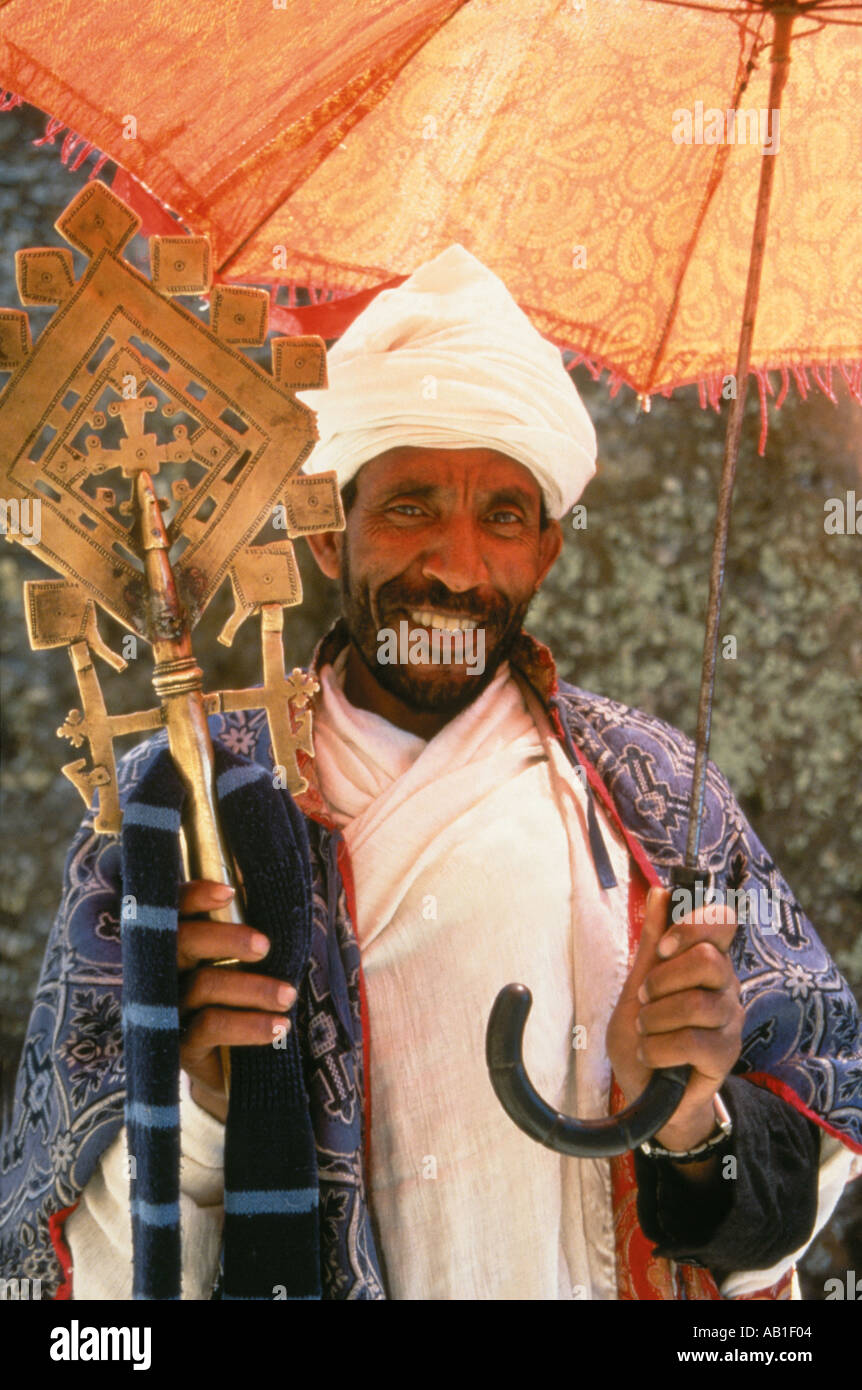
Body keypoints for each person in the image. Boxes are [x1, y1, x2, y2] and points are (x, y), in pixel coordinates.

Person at [1, 247, 860, 1301]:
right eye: (410, 505)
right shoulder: (180, 815)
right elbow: (69, 1287)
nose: (455, 565)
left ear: (546, 547)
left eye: (501, 515)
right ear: (331, 534)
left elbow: (799, 1174)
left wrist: (685, 1112)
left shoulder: (653, 793)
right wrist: (205, 1106)